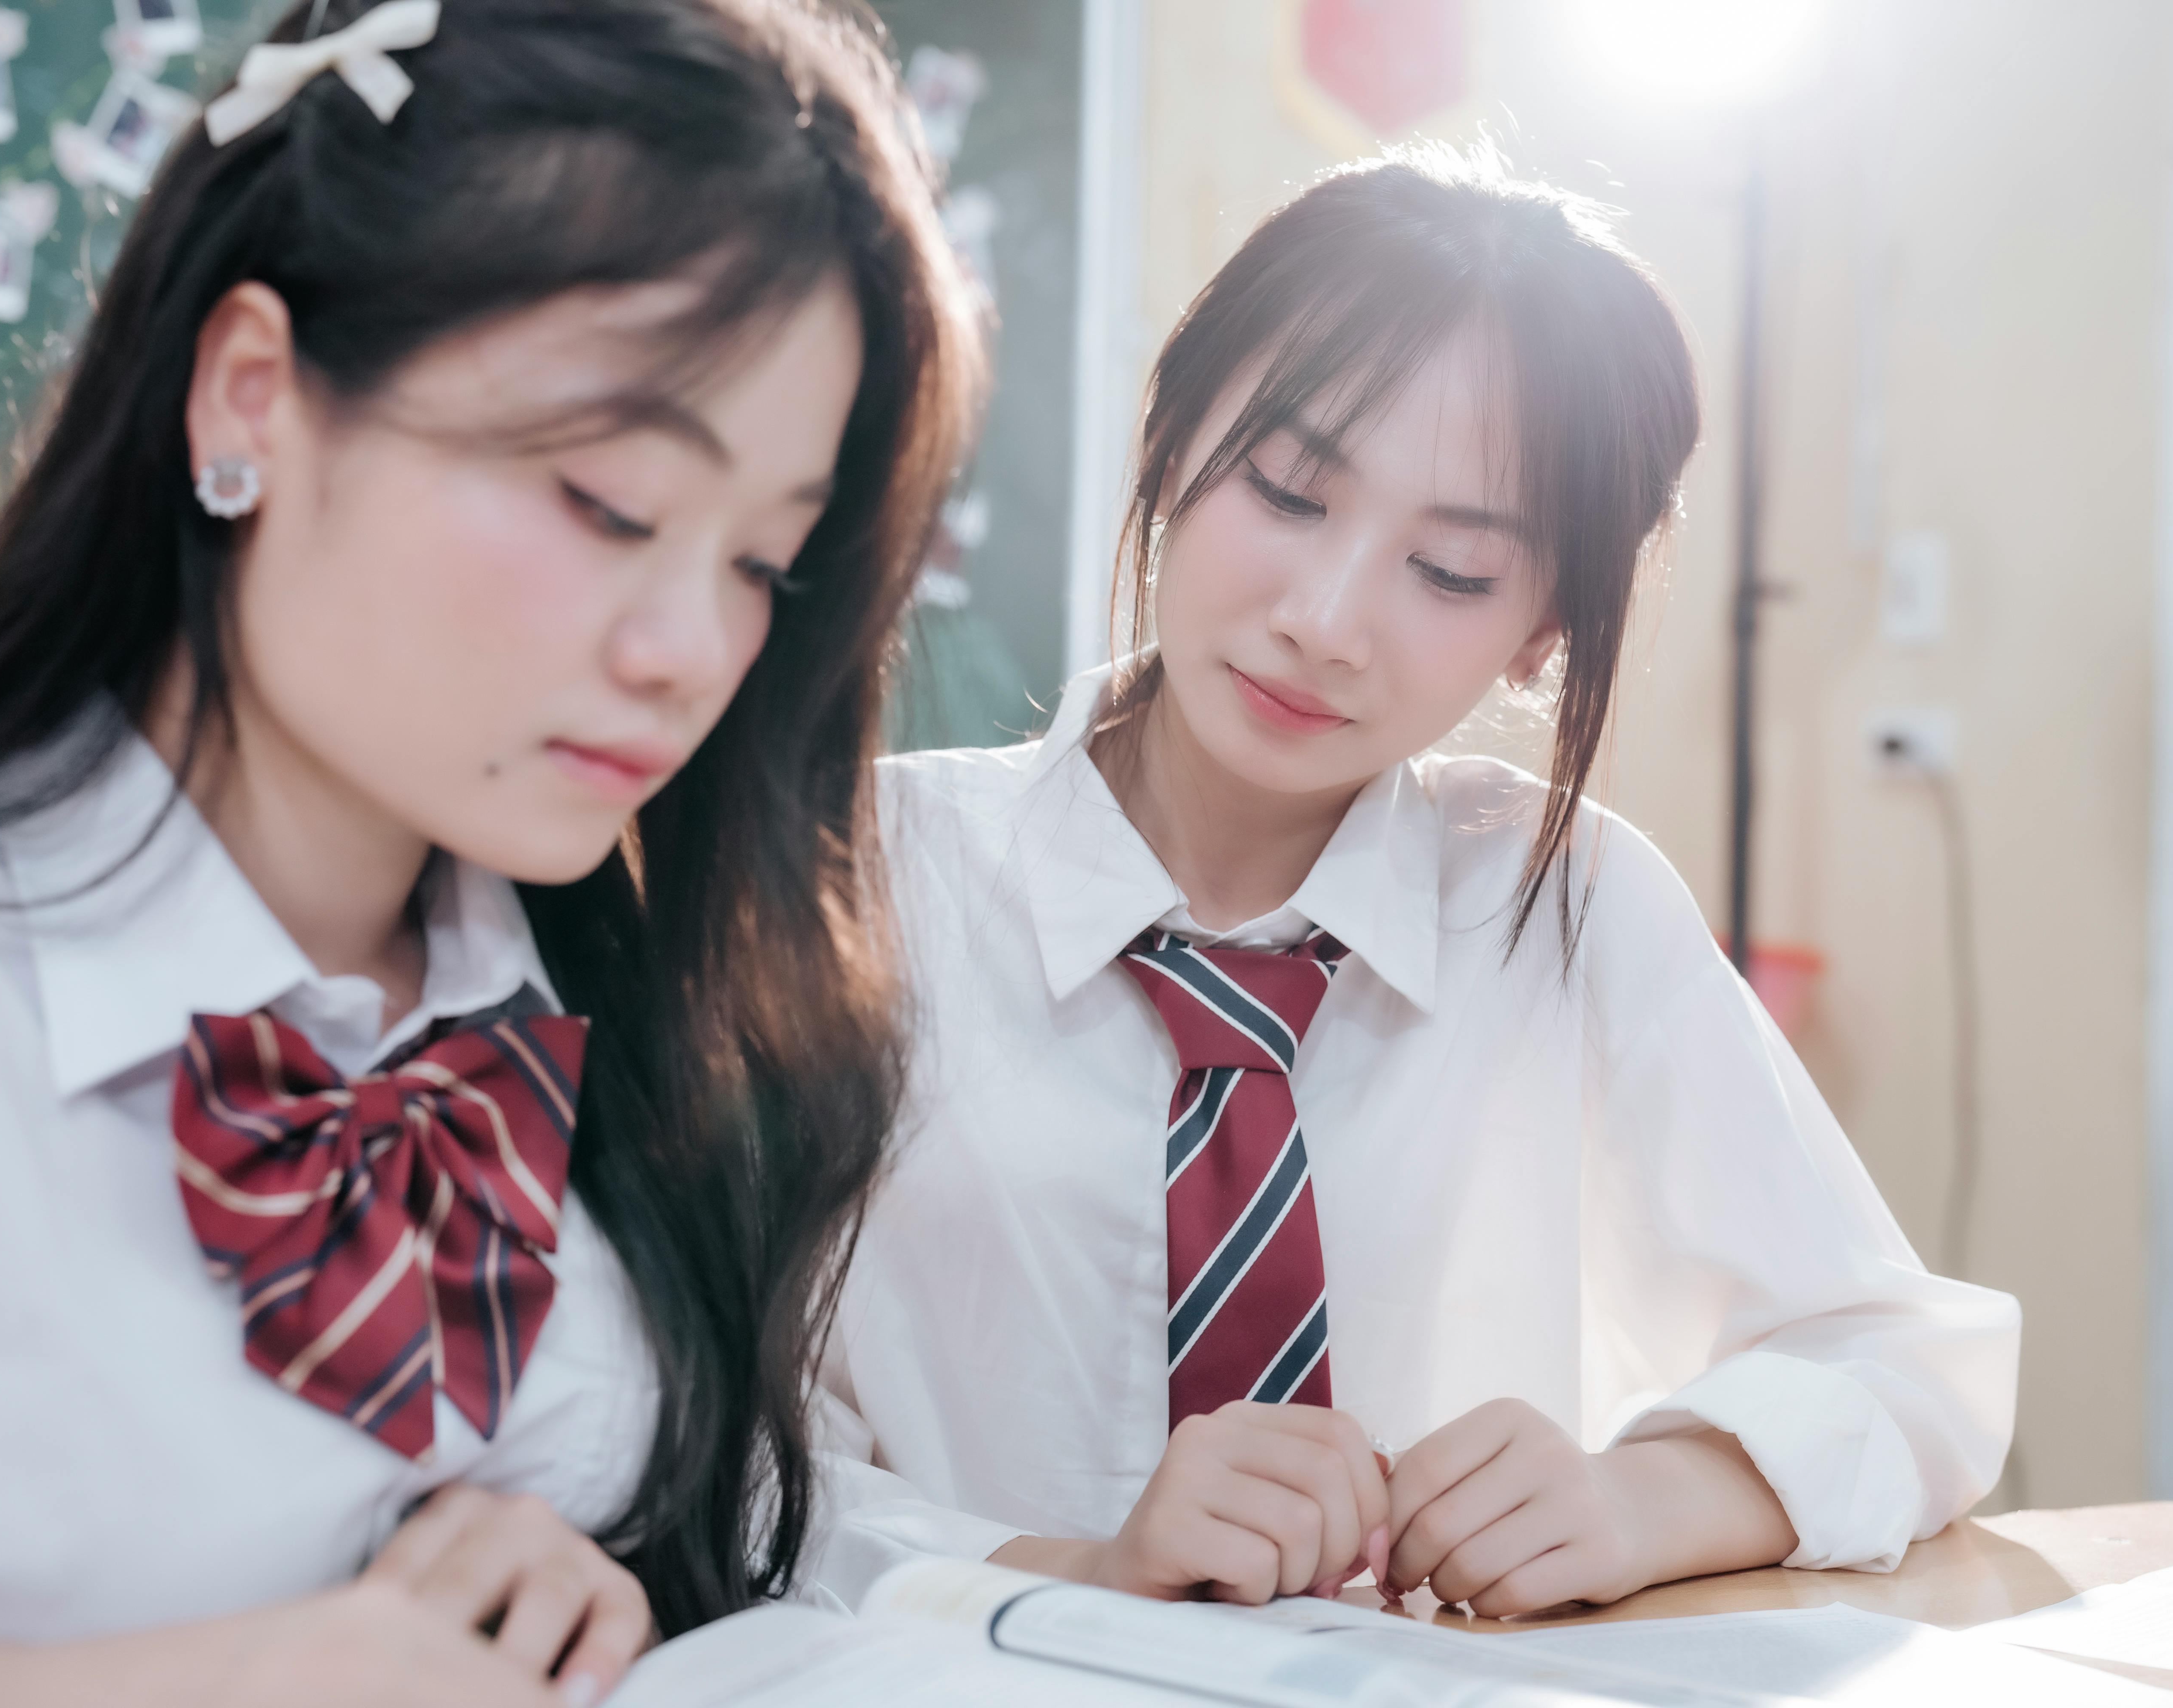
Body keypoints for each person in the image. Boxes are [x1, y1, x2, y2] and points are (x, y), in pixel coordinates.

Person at [0, 0, 978, 1701]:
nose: (692, 644)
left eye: (765, 560)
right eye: (605, 500)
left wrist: (573, 1584)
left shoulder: (608, 1035)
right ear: (252, 395)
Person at [809, 147, 2019, 1618]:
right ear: (1174, 437)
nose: (1325, 623)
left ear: (1540, 634)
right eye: (1288, 490)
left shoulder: (1557, 904)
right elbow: (719, 1463)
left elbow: (1914, 1369)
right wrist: (1080, 1573)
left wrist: (1648, 1494)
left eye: (1450, 573)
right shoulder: (865, 880)